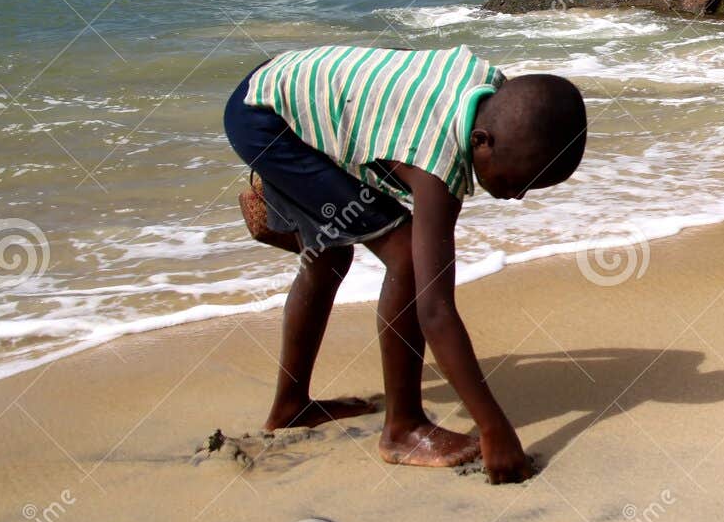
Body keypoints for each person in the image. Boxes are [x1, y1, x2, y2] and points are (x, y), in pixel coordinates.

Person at [222, 43, 586, 484]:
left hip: (284, 87)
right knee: (406, 258)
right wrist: (494, 427)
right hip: (271, 119)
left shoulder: (488, 96)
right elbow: (435, 310)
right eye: (517, 179)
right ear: (481, 142)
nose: (517, 194)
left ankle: (290, 407)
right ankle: (403, 428)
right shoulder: (438, 160)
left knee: (332, 256)